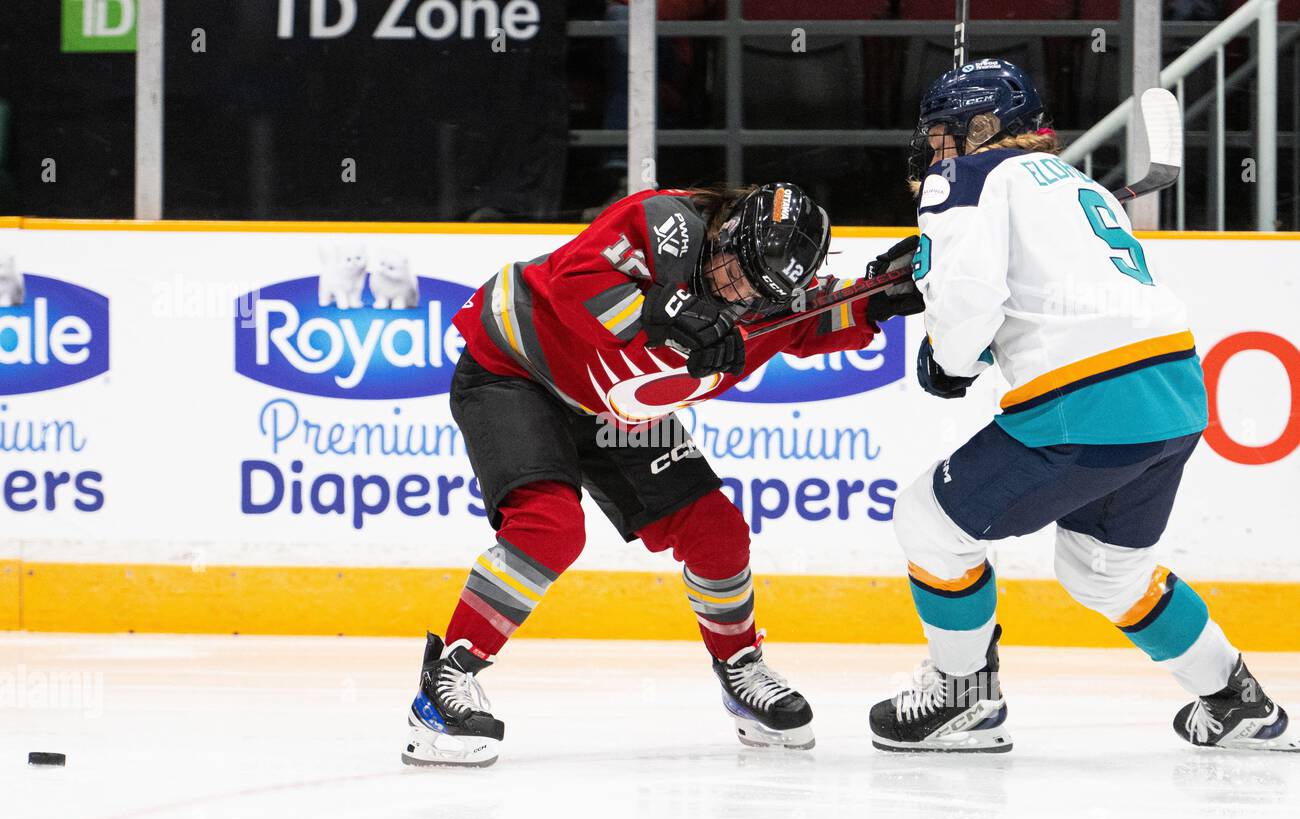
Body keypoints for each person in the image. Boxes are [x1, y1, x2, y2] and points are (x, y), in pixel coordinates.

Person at [403, 182, 923, 766]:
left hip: (610, 410)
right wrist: (667, 312)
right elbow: (575, 280)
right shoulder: (664, 223)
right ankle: (445, 681)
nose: (743, 295)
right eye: (738, 272)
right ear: (725, 233)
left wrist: (883, 297)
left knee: (717, 533)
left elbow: (817, 319)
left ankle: (741, 666)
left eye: (763, 292)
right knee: (548, 529)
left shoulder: (765, 306)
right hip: (517, 369)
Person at [871, 58, 1297, 754]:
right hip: (1175, 392)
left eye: (946, 131)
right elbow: (1043, 300)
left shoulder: (967, 178)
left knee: (929, 522)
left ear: (983, 126)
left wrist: (947, 361)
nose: (936, 147)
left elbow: (973, 295)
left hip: (1087, 399)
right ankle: (1236, 701)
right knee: (1105, 569)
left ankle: (963, 698)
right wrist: (941, 293)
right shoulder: (1072, 183)